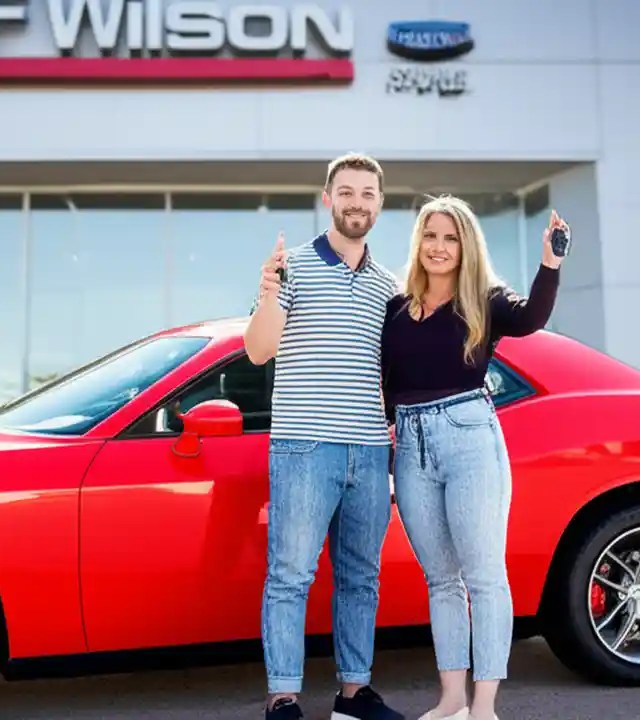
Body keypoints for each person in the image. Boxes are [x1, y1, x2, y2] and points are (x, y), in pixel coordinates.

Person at [381, 195, 567, 720]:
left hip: (469, 438)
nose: (439, 247)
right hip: (411, 446)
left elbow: (532, 318)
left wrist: (550, 264)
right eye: (431, 236)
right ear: (419, 242)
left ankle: (484, 708)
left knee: (484, 577)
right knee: (441, 580)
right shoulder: (395, 310)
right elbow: (383, 385)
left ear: (466, 246)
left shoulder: (484, 300)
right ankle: (451, 702)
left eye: (450, 237)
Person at [245, 152, 406, 720]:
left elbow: (392, 371)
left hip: (368, 450)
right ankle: (283, 698)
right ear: (328, 198)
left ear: (379, 204)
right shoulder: (292, 268)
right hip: (304, 447)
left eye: (367, 193)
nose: (357, 202)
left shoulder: (391, 285)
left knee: (361, 577)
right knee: (291, 575)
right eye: (347, 192)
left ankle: (353, 694)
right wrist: (268, 290)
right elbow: (259, 350)